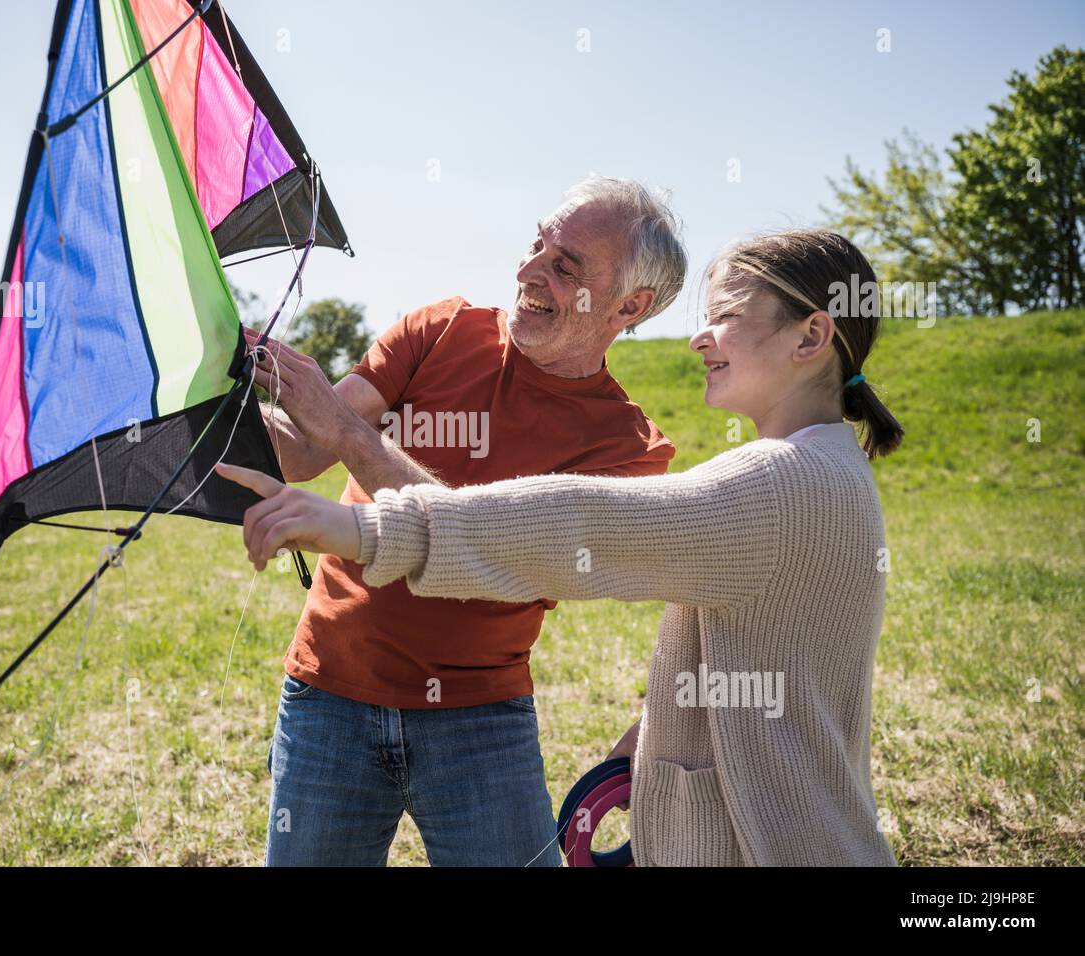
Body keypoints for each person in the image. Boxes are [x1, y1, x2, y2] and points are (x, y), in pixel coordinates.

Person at [220, 229, 904, 866]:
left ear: (813, 335)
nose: (700, 337)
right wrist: (653, 737)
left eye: (726, 314)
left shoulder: (777, 481)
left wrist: (356, 529)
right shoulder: (832, 470)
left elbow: (573, 527)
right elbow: (776, 654)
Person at [246, 177, 687, 865]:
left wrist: (344, 431)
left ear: (631, 306)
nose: (527, 270)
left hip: (479, 723)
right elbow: (303, 450)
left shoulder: (628, 451)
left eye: (564, 265)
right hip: (327, 691)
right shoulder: (440, 330)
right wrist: (217, 377)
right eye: (536, 243)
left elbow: (488, 552)